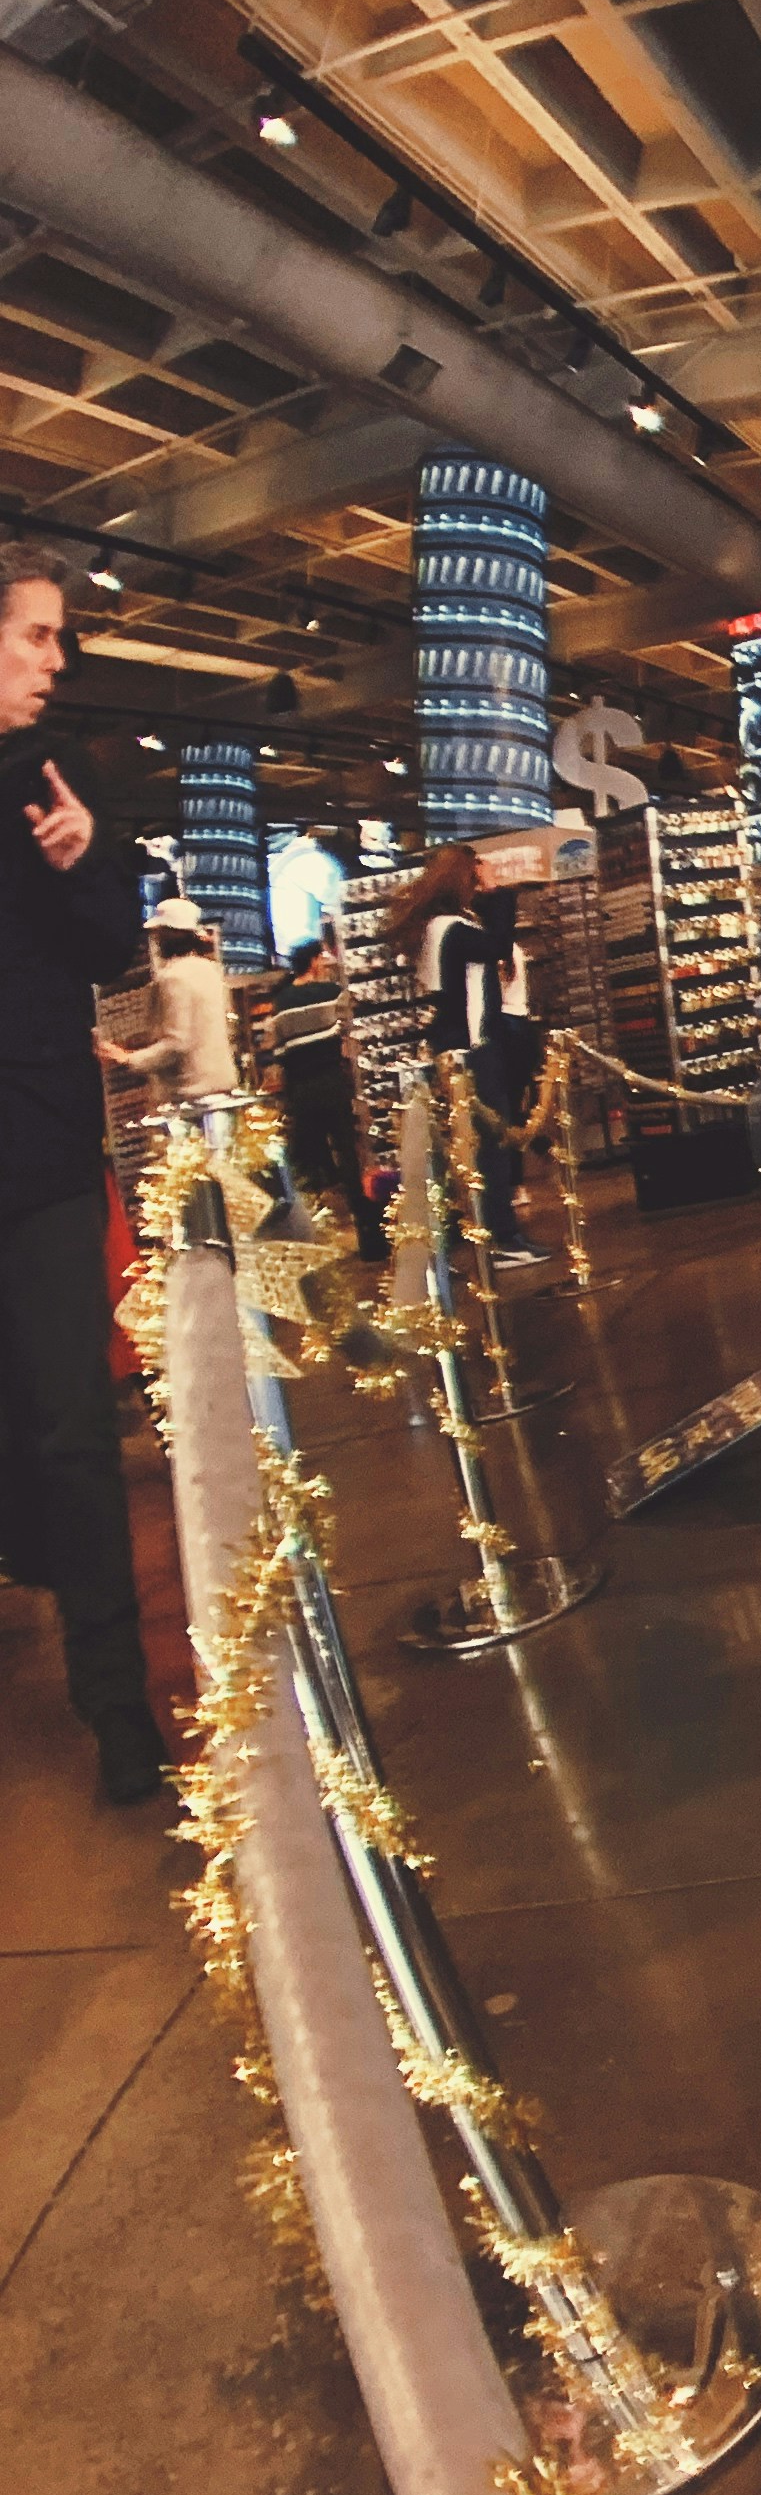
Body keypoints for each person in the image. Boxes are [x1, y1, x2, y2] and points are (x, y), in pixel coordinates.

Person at [0, 535, 174, 1803]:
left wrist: (79, 863)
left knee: (73, 1433)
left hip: (43, 1154)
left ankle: (119, 1713)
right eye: (36, 635)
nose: (57, 659)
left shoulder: (53, 778)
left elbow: (117, 943)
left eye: (60, 636)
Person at [395, 846, 545, 1260]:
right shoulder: (450, 929)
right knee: (490, 1144)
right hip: (472, 1047)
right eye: (482, 868)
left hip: (463, 1044)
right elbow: (496, 946)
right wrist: (498, 896)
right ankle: (500, 1237)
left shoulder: (442, 926)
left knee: (481, 1145)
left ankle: (490, 1231)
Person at [267, 931, 382, 1261]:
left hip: (302, 1090)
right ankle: (370, 1239)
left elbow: (281, 1053)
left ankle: (310, 1242)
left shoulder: (280, 1004)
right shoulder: (331, 993)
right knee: (349, 1157)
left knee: (308, 1163)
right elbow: (348, 1028)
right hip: (333, 1083)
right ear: (316, 961)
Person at [94, 898, 235, 1099]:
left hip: (191, 1091)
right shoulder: (211, 970)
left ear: (168, 934)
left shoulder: (173, 977)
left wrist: (128, 1059)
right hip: (220, 1084)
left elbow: (177, 1043)